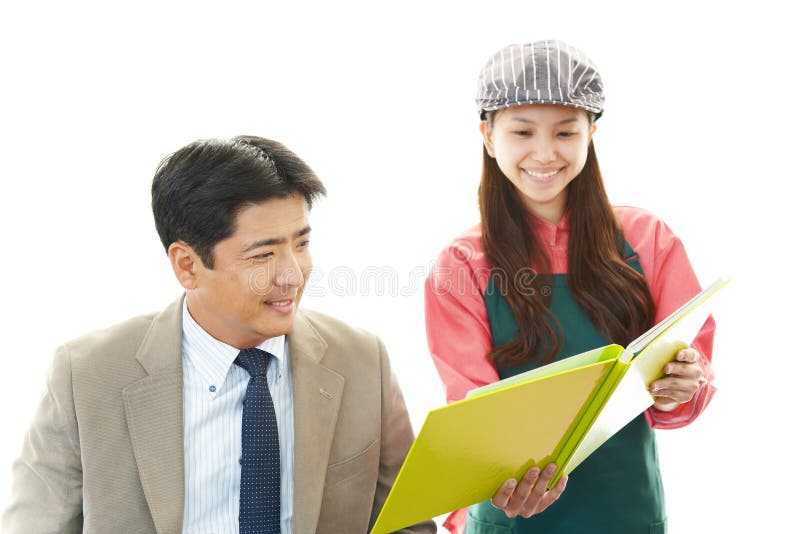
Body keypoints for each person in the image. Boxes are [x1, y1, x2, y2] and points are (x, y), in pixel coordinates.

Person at [2, 136, 437, 533]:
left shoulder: (362, 361)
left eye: (301, 244)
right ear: (187, 265)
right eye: (263, 254)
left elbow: (408, 526)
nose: (292, 274)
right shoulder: (87, 376)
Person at [424, 41, 716, 534]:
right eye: (521, 131)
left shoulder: (649, 240)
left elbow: (689, 376)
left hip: (626, 512)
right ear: (489, 137)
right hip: (510, 516)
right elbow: (472, 417)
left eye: (565, 131)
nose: (544, 153)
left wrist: (679, 387)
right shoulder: (461, 264)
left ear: (591, 134)